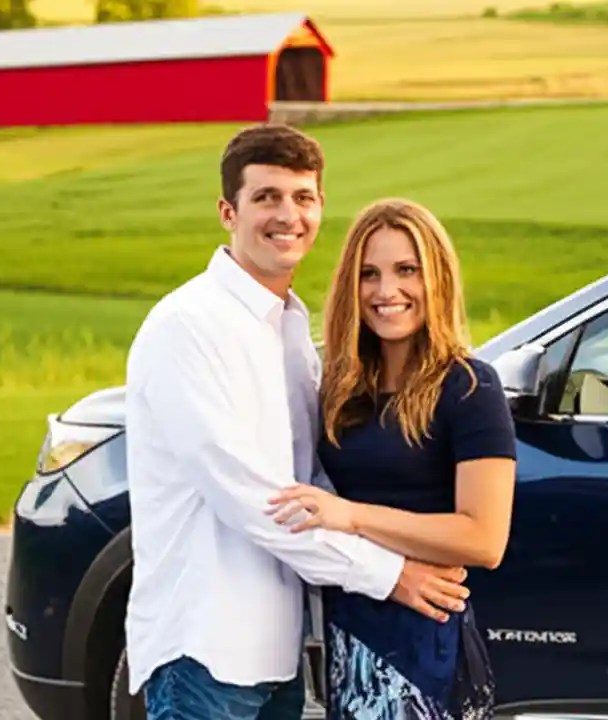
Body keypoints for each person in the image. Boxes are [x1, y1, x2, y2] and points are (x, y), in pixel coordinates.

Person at [123, 127, 473, 720]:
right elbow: (258, 500)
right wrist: (392, 576)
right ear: (227, 212)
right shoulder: (188, 326)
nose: (288, 215)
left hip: (276, 656)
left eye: (302, 197)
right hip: (204, 653)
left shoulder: (289, 332)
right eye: (266, 198)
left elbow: (318, 483)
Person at [267, 199, 518, 719]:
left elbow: (484, 539)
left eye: (407, 271)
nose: (387, 292)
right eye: (369, 274)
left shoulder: (470, 387)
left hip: (424, 639)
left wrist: (354, 517)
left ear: (437, 279)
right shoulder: (339, 386)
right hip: (348, 628)